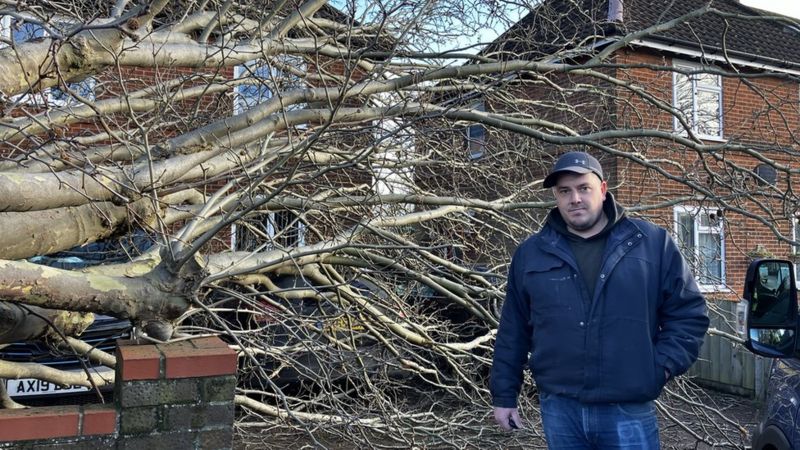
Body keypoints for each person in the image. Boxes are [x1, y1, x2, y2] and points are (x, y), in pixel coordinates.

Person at [490, 151, 709, 448]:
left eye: (583, 188)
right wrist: (504, 395)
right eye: (564, 191)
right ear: (556, 196)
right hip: (560, 407)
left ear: (603, 190)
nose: (574, 199)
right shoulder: (532, 253)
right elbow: (513, 329)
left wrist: (659, 369)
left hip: (628, 407)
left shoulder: (651, 244)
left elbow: (689, 314)